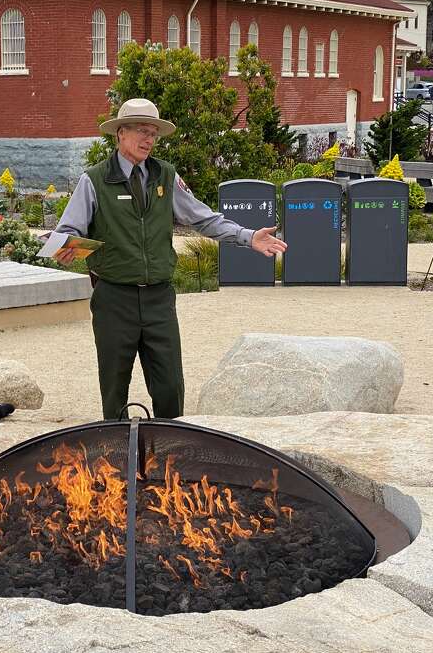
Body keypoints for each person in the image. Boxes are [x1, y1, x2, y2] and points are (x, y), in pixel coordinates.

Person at [52, 98, 286, 421]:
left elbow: (204, 218)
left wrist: (247, 236)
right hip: (113, 299)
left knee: (170, 389)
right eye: (140, 131)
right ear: (120, 134)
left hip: (159, 299)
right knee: (114, 390)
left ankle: (169, 462)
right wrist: (66, 249)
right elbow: (68, 230)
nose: (148, 139)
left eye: (153, 133)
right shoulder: (93, 181)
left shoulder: (165, 177)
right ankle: (119, 464)